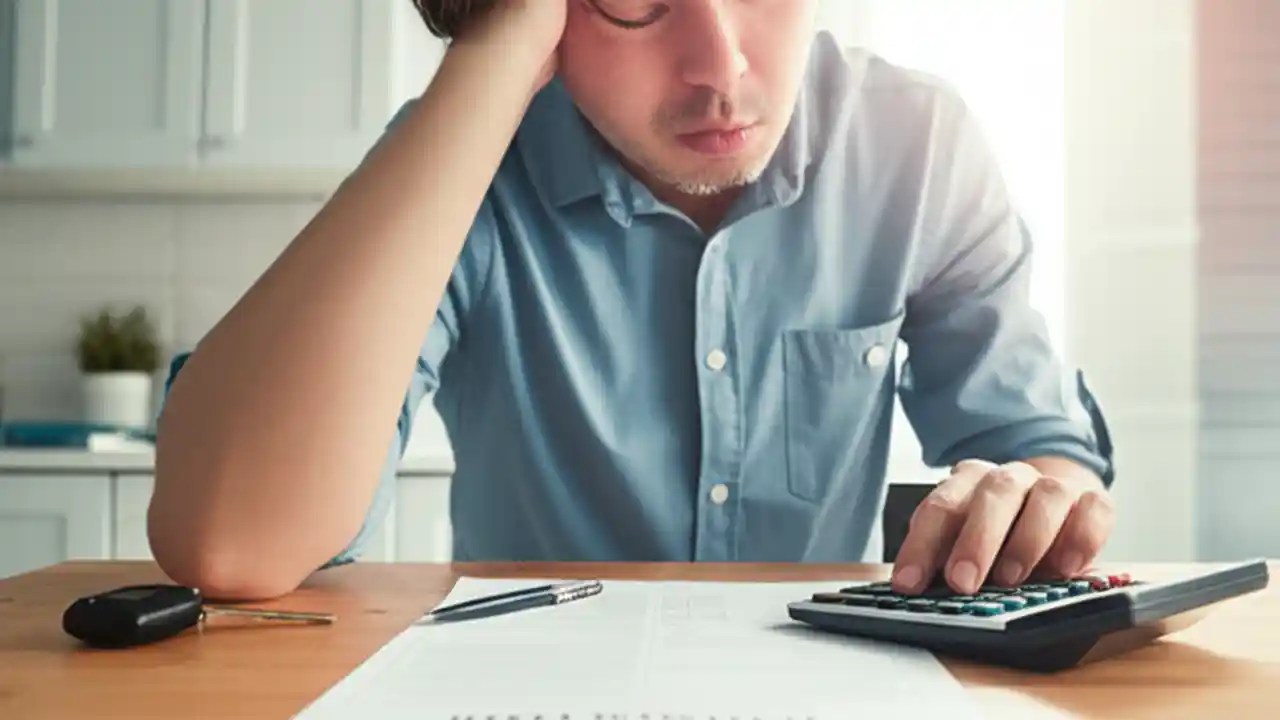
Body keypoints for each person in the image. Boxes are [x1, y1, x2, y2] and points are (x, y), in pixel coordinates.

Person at [148, 0, 1116, 601]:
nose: (722, 68)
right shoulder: (467, 160)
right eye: (633, 3)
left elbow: (1034, 445)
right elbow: (232, 544)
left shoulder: (916, 142)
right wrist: (491, 56)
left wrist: (1035, 494)